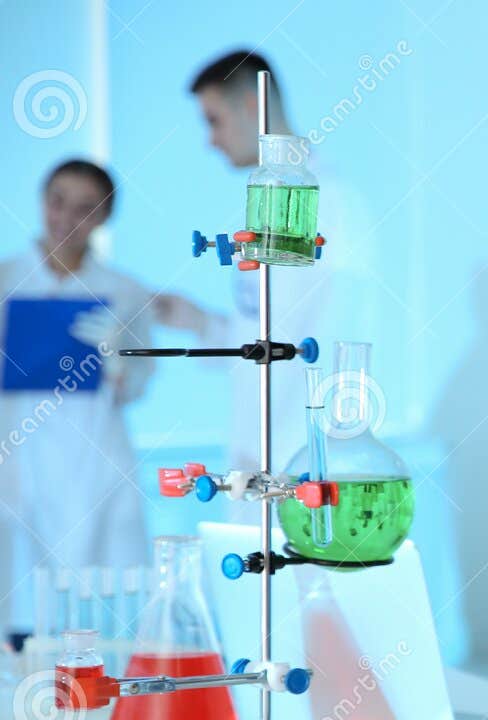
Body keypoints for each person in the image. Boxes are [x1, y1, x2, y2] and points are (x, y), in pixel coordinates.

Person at [156, 49, 376, 480]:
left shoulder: (330, 202)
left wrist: (323, 457)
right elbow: (268, 338)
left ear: (252, 104)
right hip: (257, 458)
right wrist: (201, 324)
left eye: (213, 120)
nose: (210, 140)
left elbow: (344, 338)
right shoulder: (267, 209)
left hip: (307, 466)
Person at [0, 160, 199, 630]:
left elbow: (138, 384)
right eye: (58, 202)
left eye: (86, 209)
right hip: (17, 462)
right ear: (42, 200)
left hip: (93, 466)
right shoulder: (6, 281)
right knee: (18, 606)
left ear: (105, 217)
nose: (67, 218)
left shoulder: (125, 292)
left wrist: (118, 360)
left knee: (97, 612)